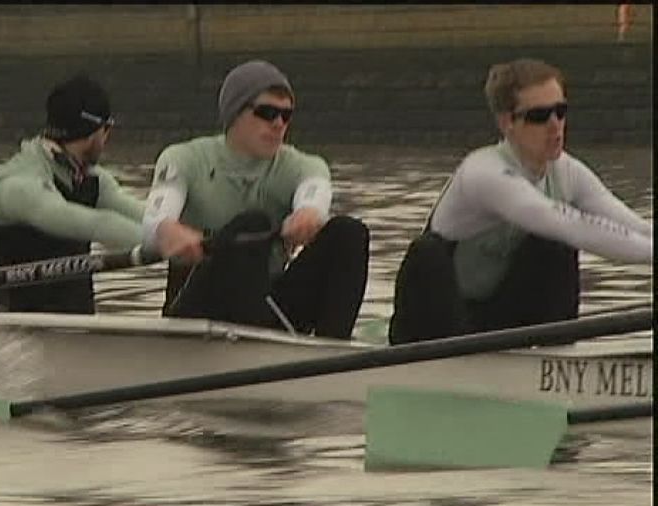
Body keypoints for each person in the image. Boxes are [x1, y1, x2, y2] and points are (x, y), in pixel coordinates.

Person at [389, 58, 652, 344]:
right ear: (507, 122)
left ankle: (556, 358)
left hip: (498, 316)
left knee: (555, 248)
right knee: (427, 253)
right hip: (435, 322)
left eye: (560, 112)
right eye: (539, 116)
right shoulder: (484, 171)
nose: (555, 126)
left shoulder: (567, 171)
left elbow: (632, 226)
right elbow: (570, 224)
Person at [140, 60, 370, 339]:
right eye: (267, 112)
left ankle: (334, 353)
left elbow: (315, 197)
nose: (278, 124)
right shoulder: (184, 159)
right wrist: (167, 231)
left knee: (349, 232)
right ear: (234, 113)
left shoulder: (302, 165)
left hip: (268, 308)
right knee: (253, 223)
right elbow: (154, 220)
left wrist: (307, 216)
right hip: (195, 309)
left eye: (286, 115)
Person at [0, 74, 145, 314]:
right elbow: (70, 219)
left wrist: (186, 235)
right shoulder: (22, 181)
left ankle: (74, 330)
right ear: (96, 132)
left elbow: (147, 217)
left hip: (45, 316)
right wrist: (167, 243)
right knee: (66, 228)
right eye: (108, 127)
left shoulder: (91, 179)